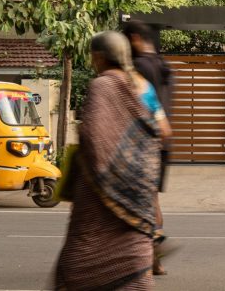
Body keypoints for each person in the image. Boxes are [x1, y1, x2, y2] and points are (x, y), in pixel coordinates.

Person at [54, 30, 163, 291]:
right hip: (137, 203)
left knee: (78, 265)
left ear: (99, 57)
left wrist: (103, 168)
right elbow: (155, 133)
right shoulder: (139, 87)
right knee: (133, 272)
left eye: (93, 57)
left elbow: (94, 136)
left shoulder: (102, 85)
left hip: (99, 200)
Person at [125, 21, 175, 276]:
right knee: (152, 199)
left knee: (133, 201)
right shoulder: (163, 65)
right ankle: (154, 257)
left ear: (133, 38)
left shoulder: (138, 69)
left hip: (141, 142)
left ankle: (144, 256)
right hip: (161, 143)